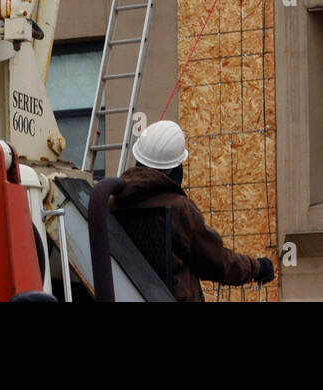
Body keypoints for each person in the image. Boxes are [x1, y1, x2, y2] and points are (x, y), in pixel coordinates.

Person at [108, 120, 274, 302]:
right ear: (175, 169)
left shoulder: (112, 203)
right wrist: (257, 268)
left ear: (138, 160)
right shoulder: (179, 208)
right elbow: (216, 261)